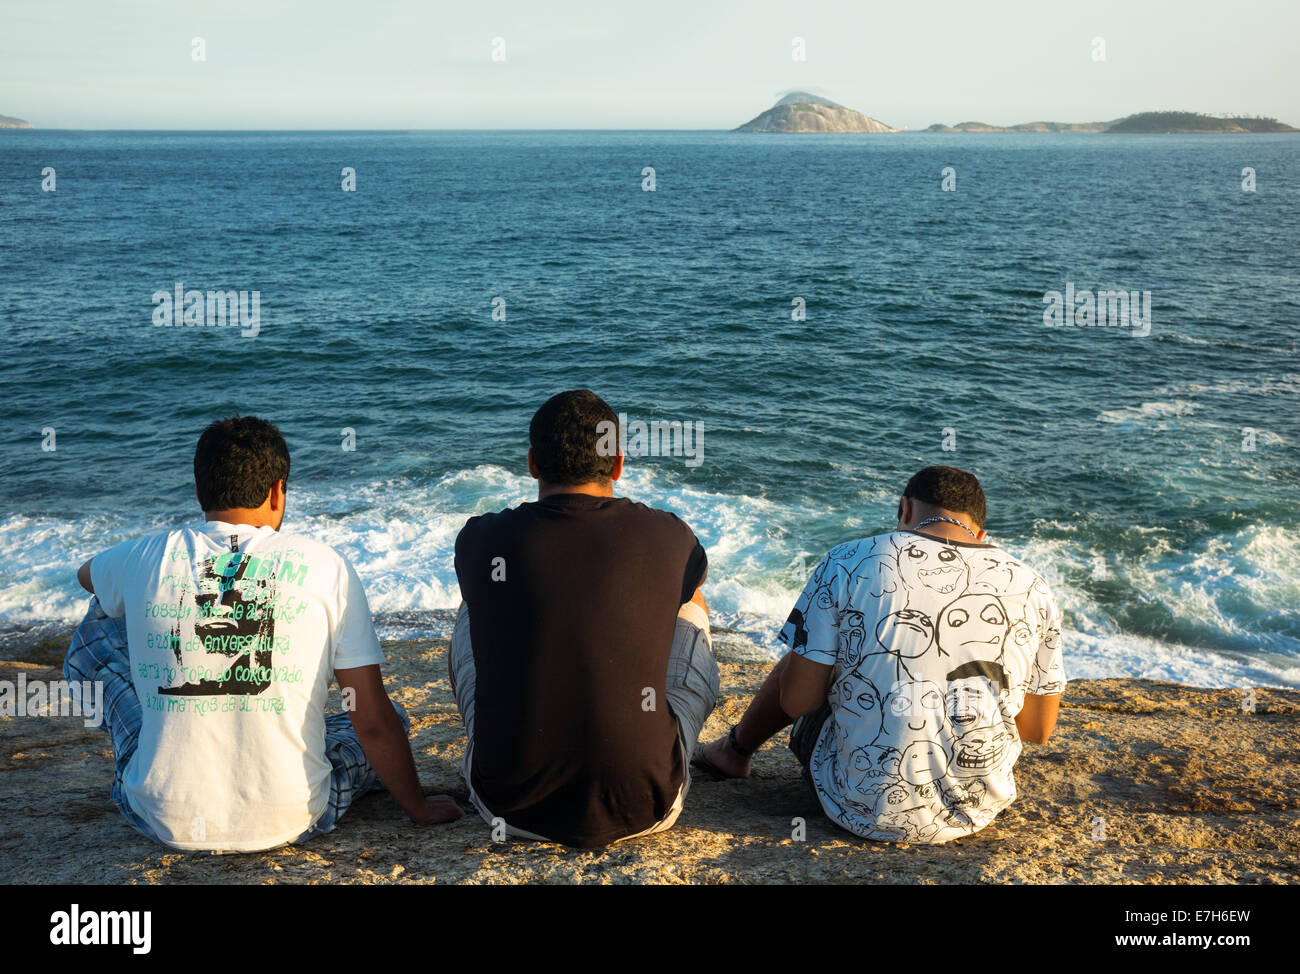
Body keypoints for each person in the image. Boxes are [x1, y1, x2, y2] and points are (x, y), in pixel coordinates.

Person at [68, 416, 461, 852]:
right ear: (278, 491)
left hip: (161, 816)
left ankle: (161, 751)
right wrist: (418, 809)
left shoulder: (146, 553)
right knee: (395, 720)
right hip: (295, 816)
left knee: (100, 612)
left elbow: (87, 575)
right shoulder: (327, 565)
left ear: (200, 492)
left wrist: (147, 583)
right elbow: (370, 718)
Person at [696, 465, 1065, 844]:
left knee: (812, 652)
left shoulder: (846, 560)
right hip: (975, 811)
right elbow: (1037, 730)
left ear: (904, 510)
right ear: (982, 535)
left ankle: (734, 750)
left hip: (854, 804)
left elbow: (797, 701)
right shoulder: (1034, 586)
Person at [451, 390, 719, 848]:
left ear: (533, 463)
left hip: (506, 805)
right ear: (617, 463)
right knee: (691, 599)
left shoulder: (481, 539)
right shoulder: (670, 534)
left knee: (471, 606)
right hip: (647, 803)